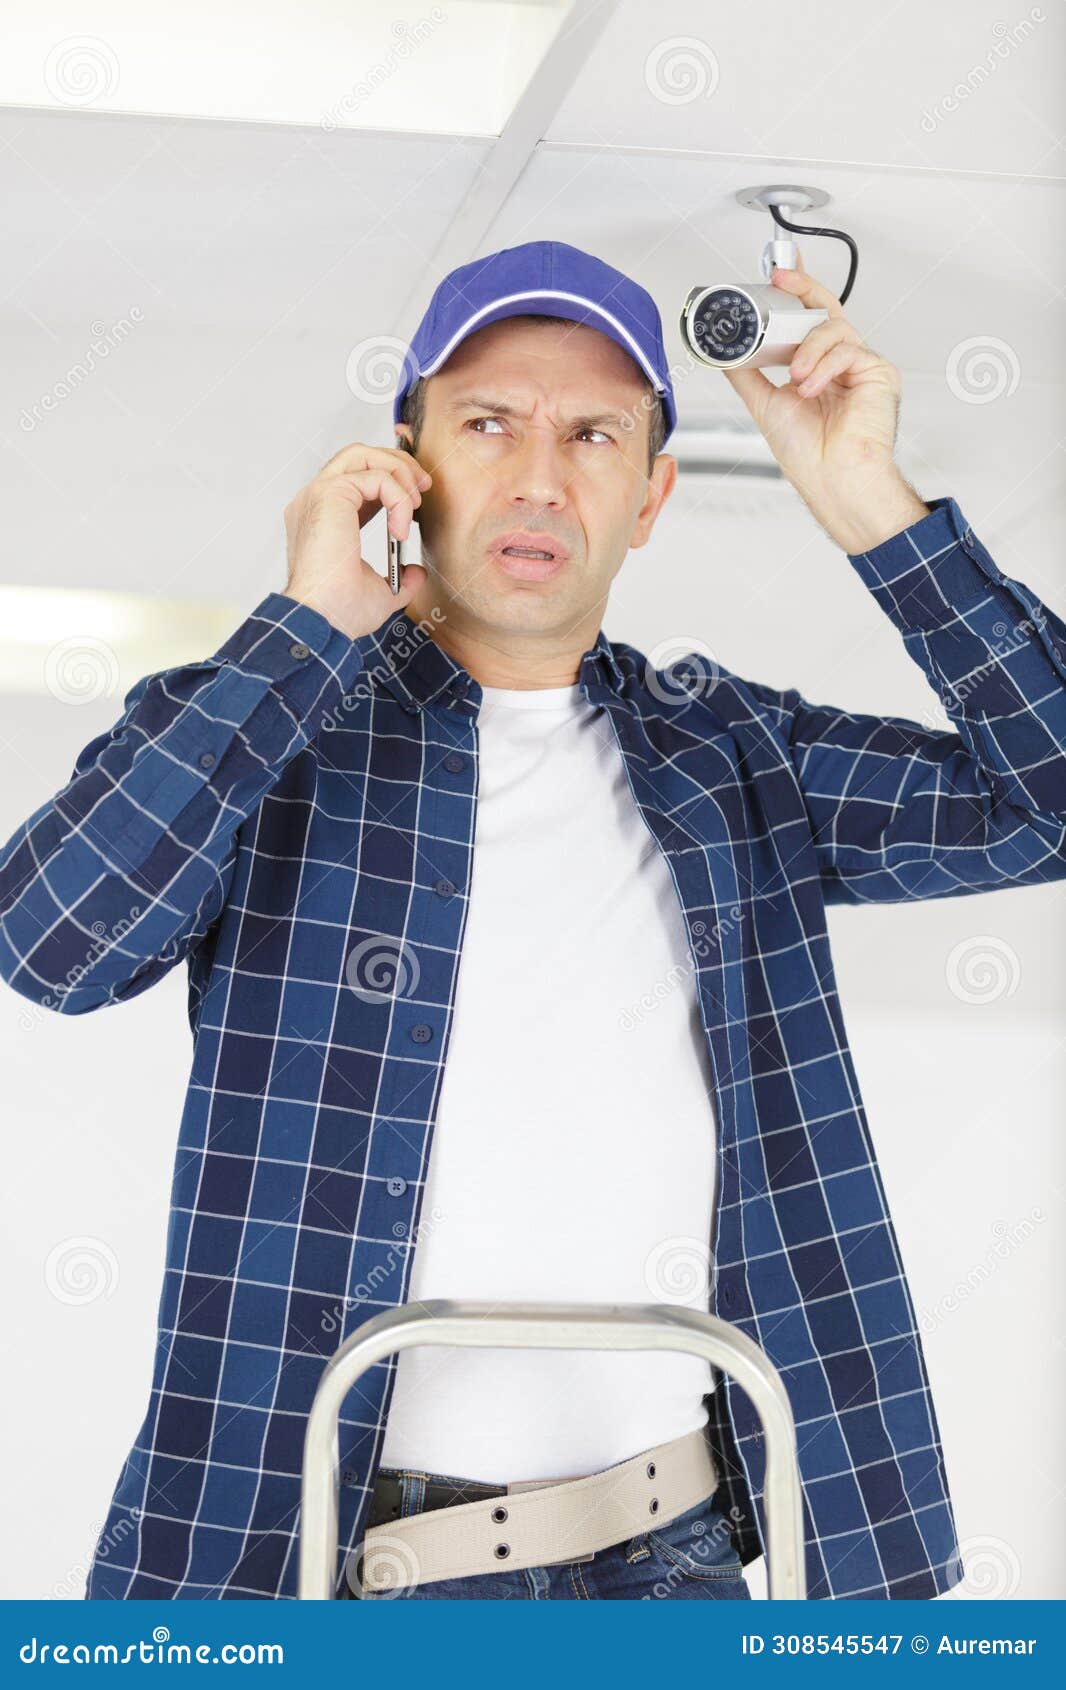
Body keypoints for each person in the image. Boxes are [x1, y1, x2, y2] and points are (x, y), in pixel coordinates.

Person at [1, 239, 1063, 1602]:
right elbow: (50, 942)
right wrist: (312, 617)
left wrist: (865, 500)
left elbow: (1045, 800)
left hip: (670, 1564)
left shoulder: (730, 756)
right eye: (487, 423)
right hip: (321, 1568)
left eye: (593, 435)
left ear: (650, 493)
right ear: (405, 460)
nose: (539, 476)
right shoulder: (268, 733)